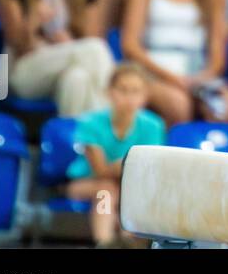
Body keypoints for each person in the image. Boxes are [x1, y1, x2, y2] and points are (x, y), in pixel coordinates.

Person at [65, 64, 166, 246]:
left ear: (145, 96)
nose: (129, 97)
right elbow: (101, 171)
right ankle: (105, 243)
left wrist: (124, 166)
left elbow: (149, 172)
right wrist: (129, 164)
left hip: (128, 189)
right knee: (107, 190)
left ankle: (128, 242)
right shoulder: (91, 123)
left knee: (128, 195)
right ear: (109, 92)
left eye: (135, 91)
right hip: (85, 183)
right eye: (123, 90)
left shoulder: (154, 125)